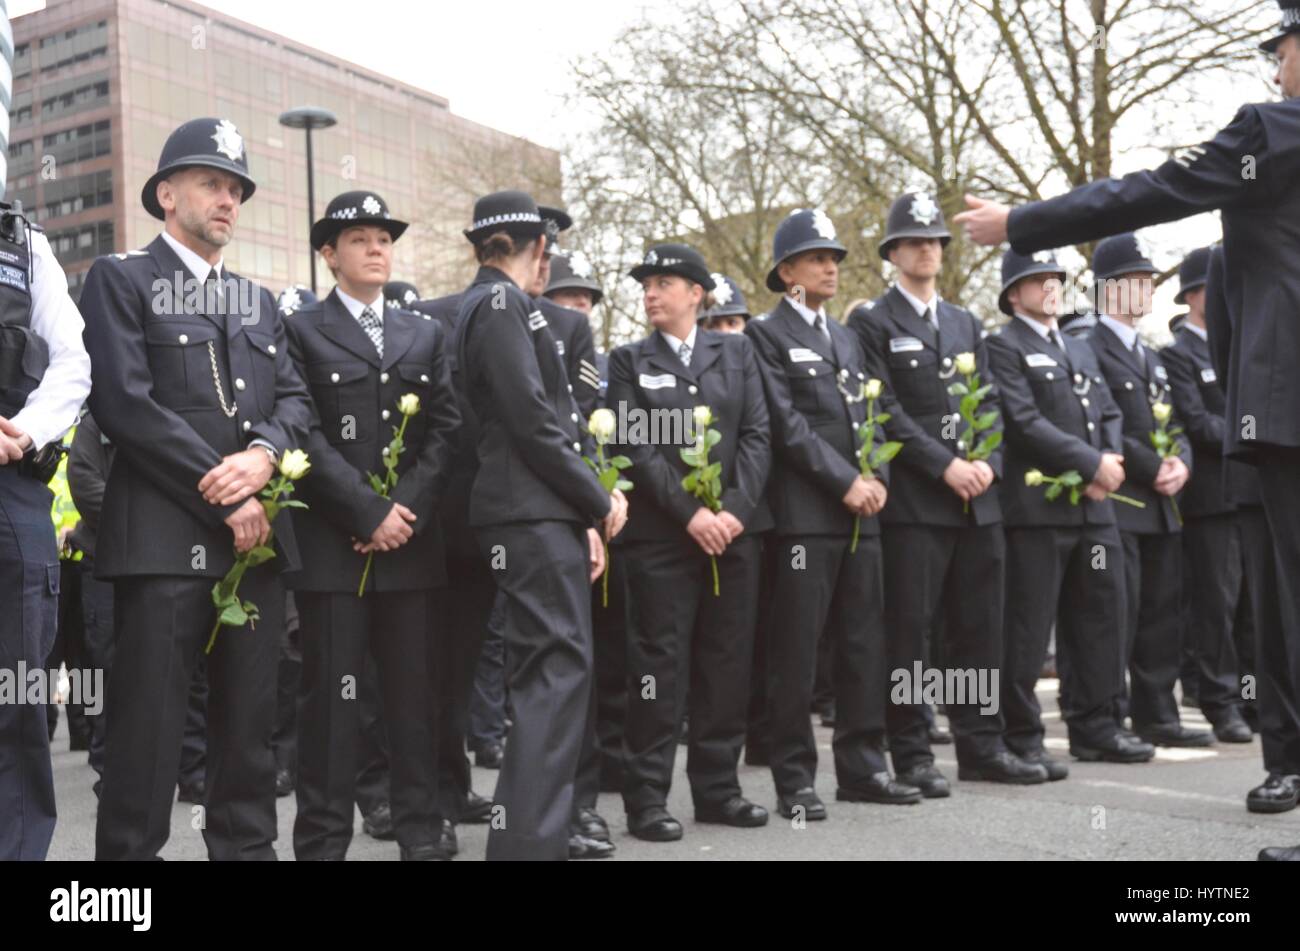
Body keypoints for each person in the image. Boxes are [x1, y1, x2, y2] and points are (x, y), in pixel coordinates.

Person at [953, 2, 1300, 856]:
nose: (1275, 67)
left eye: (1280, 50)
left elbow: (1152, 188)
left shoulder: (1273, 131)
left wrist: (1023, 222)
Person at [82, 117, 312, 860]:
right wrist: (231, 492)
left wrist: (267, 455)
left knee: (247, 744)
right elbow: (126, 404)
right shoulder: (121, 278)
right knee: (145, 747)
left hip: (253, 555)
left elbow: (295, 401)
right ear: (165, 192)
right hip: (161, 546)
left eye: (236, 188)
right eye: (212, 182)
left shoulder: (256, 300)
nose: (227, 200)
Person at [282, 190, 460, 861]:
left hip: (410, 549)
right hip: (335, 547)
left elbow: (445, 430)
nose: (377, 247)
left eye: (384, 237)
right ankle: (324, 841)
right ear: (329, 254)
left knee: (415, 700)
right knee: (330, 704)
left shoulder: (426, 333)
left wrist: (400, 514)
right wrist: (366, 511)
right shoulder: (300, 329)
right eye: (359, 238)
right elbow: (304, 430)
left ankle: (421, 831)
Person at [849, 192, 1045, 793]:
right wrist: (945, 466)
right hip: (918, 503)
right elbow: (882, 411)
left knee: (978, 629)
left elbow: (988, 401)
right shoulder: (872, 322)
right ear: (893, 253)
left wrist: (984, 461)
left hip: (977, 502)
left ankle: (981, 744)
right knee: (912, 632)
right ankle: (911, 752)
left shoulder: (963, 322)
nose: (927, 249)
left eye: (934, 240)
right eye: (914, 241)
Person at [453, 190, 627, 860]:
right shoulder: (501, 304)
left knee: (547, 679)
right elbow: (533, 419)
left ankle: (529, 840)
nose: (550, 262)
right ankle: (525, 845)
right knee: (554, 677)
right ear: (536, 247)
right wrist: (597, 499)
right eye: (549, 248)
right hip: (530, 512)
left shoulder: (499, 304)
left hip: (529, 510)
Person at [747, 208, 922, 821]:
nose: (830, 267)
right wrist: (846, 481)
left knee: (863, 644)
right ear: (786, 270)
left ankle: (864, 766)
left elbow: (874, 416)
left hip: (859, 515)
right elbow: (786, 429)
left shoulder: (846, 337)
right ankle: (795, 778)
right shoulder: (763, 336)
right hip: (805, 520)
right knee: (796, 652)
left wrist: (876, 478)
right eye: (818, 257)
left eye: (835, 258)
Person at [609, 243, 772, 841]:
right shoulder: (628, 361)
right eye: (646, 284)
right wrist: (689, 514)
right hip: (662, 540)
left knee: (726, 664)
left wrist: (732, 511)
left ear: (696, 294)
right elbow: (636, 446)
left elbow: (757, 434)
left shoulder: (736, 352)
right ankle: (647, 799)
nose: (651, 292)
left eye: (664, 282)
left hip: (733, 536)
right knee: (658, 667)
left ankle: (718, 790)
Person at [985, 249, 1153, 768]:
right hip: (1038, 511)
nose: (1051, 287)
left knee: (1102, 617)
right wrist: (1090, 463)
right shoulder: (1003, 346)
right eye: (1039, 280)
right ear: (1015, 293)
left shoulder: (1078, 350)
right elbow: (1023, 420)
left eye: (1056, 278)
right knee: (1029, 628)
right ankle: (1022, 735)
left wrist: (1108, 462)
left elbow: (1107, 411)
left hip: (1094, 509)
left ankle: (1098, 727)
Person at [1079, 235, 1208, 749]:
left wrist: (1182, 462)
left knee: (1162, 614)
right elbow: (1103, 424)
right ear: (1109, 288)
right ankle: (1105, 718)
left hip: (1162, 505)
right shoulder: (1089, 349)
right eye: (1136, 279)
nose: (1147, 287)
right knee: (1116, 615)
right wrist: (1154, 465)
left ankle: (1157, 715)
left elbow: (1174, 419)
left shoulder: (1151, 356)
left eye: (1149, 279)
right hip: (1123, 502)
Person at [0, 195, 91, 861]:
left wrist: (22, 431)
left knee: (18, 696)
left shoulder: (22, 244)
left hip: (11, 483)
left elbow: (72, 362)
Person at [1161, 246, 1253, 744]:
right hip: (1209, 498)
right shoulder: (1178, 353)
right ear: (1197, 294)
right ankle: (1219, 700)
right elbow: (1195, 422)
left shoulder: (1237, 345)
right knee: (1215, 606)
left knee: (1250, 605)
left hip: (1246, 491)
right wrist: (1251, 432)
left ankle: (1253, 696)